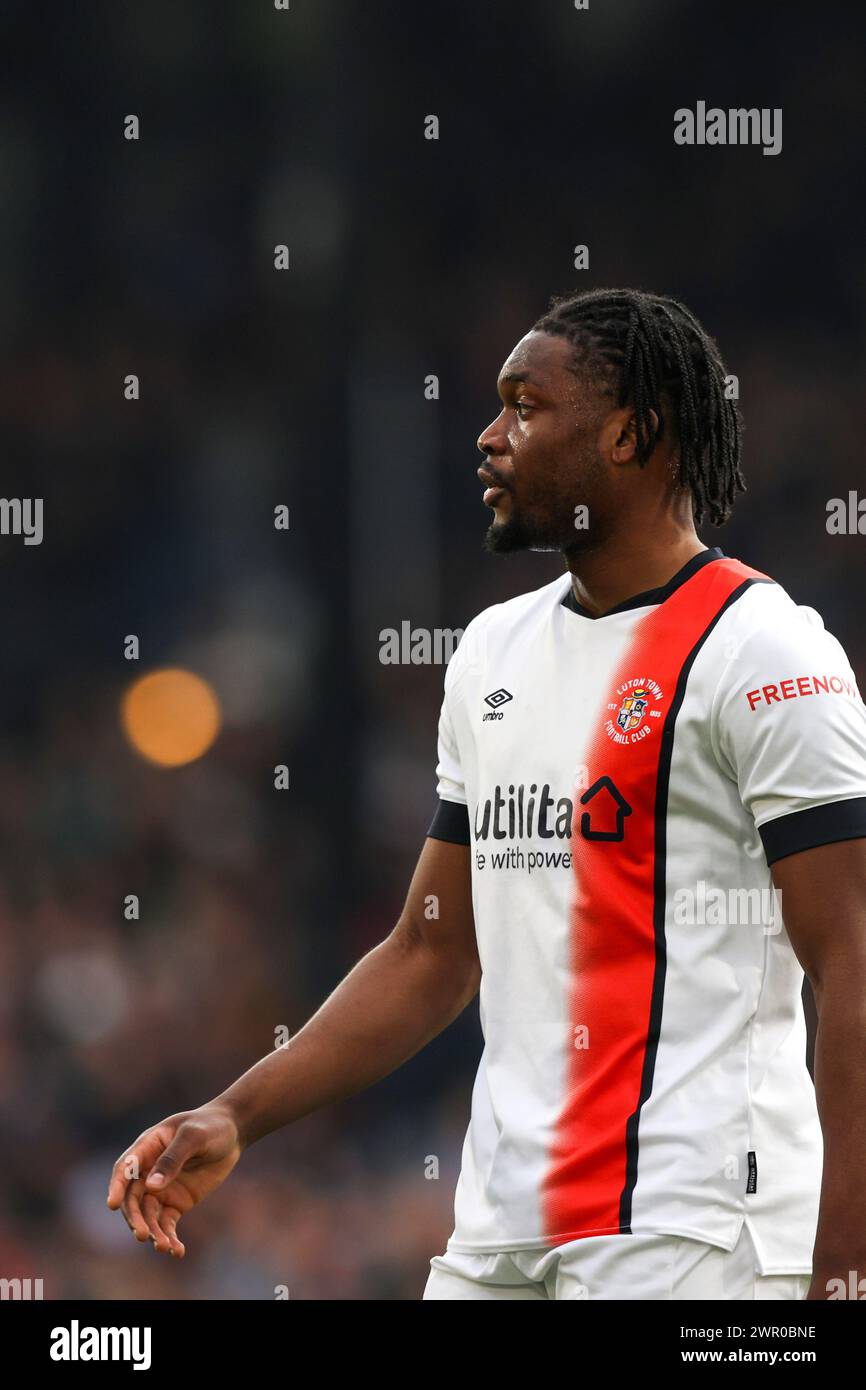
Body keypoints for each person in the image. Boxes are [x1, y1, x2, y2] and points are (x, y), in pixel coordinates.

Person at [108, 288, 866, 1300]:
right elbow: (430, 948)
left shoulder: (761, 651)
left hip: (690, 1232)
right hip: (499, 1232)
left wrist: (843, 1270)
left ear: (630, 436)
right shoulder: (490, 653)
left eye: (523, 405)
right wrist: (236, 1113)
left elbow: (850, 964)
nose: (487, 436)